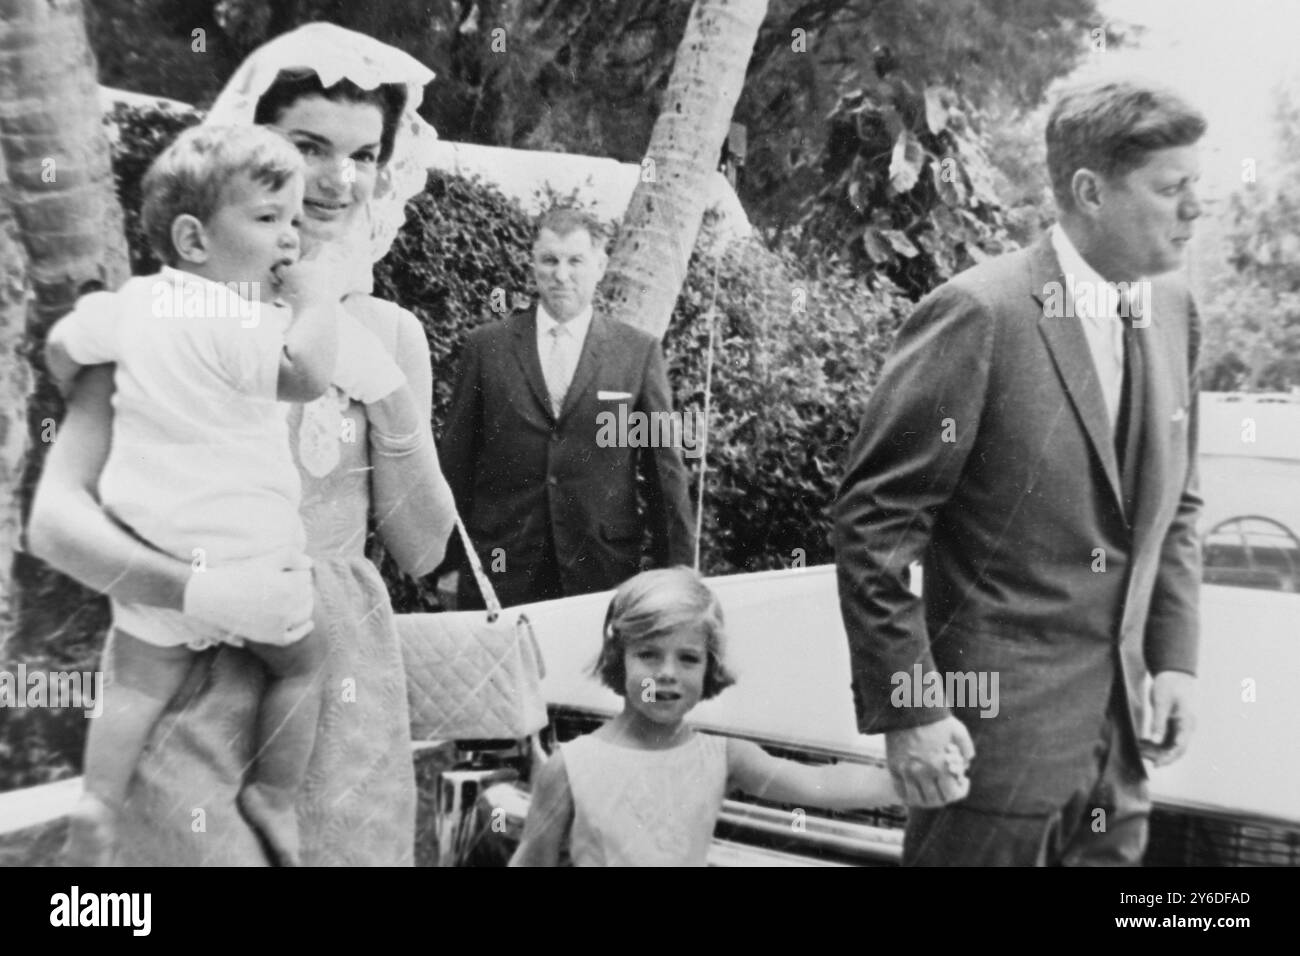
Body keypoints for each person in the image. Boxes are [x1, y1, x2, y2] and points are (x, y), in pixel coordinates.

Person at [27, 22, 456, 866]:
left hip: (335, 667)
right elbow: (55, 525)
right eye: (308, 145)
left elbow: (424, 547)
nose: (337, 180)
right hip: (188, 658)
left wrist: (387, 388)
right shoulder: (160, 320)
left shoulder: (389, 333)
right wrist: (202, 594)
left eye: (365, 154)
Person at [833, 79, 1205, 866]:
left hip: (1121, 754)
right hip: (985, 757)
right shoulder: (981, 313)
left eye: (1196, 186)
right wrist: (912, 709)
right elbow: (877, 526)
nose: (1195, 209)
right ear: (1089, 191)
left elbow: (1178, 505)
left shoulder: (1177, 312)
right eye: (1172, 189)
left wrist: (1173, 660)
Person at [509, 567, 902, 866]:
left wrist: (909, 776)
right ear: (618, 659)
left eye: (688, 658)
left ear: (708, 668)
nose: (667, 673)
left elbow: (818, 781)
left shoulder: (721, 754)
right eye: (648, 654)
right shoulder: (569, 767)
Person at [437, 207, 695, 609]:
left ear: (600, 266)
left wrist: (677, 574)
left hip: (603, 571)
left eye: (575, 261)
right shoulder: (486, 348)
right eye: (550, 260)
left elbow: (665, 472)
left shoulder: (638, 353)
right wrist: (449, 565)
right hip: (501, 570)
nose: (561, 275)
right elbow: (454, 464)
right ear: (533, 262)